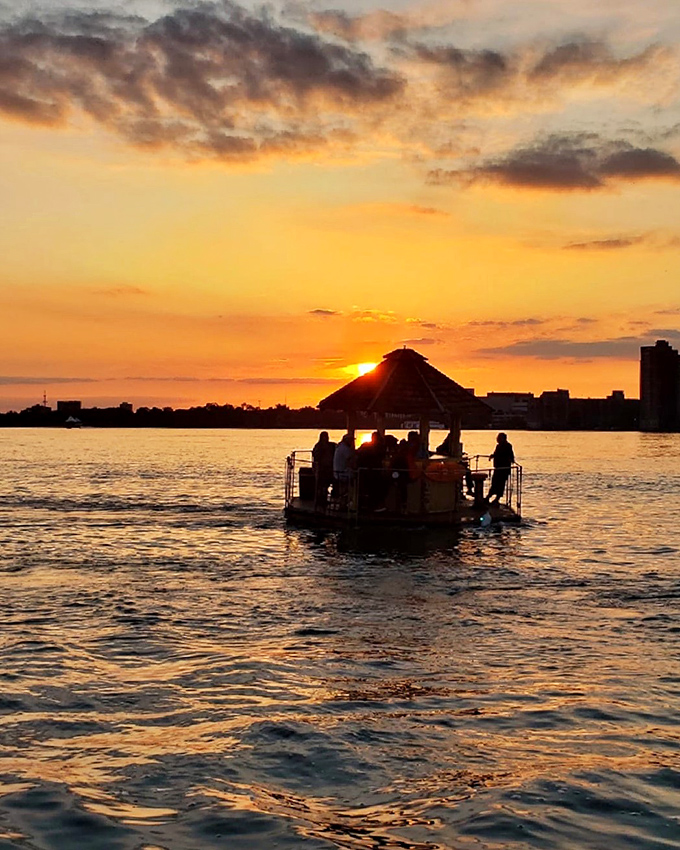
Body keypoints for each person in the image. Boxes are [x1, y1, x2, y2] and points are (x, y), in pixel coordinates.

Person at [487, 432, 515, 504]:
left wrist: (510, 460)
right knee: (494, 482)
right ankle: (489, 496)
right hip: (498, 468)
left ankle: (496, 498)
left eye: (499, 438)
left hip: (503, 469)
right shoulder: (498, 446)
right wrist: (492, 456)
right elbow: (496, 454)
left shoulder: (508, 446)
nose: (497, 439)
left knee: (501, 484)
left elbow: (510, 456)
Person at [312, 431, 336, 507]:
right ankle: (320, 500)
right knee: (321, 485)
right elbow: (316, 456)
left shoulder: (330, 445)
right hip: (321, 468)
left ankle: (324, 499)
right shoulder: (318, 446)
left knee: (326, 484)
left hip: (328, 468)